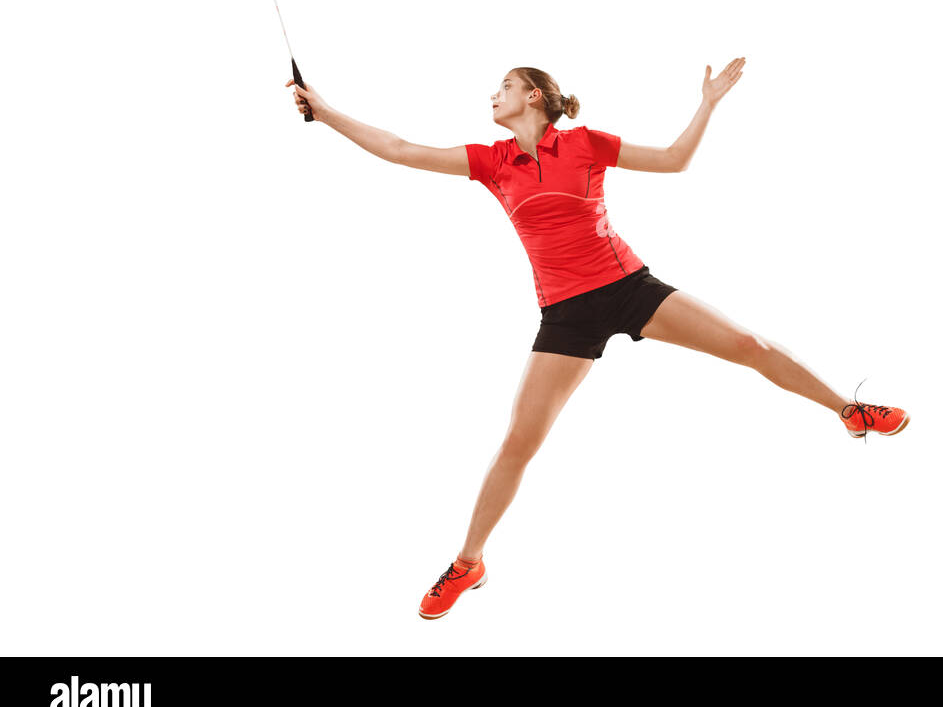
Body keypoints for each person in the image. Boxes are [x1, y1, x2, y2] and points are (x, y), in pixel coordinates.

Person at [285, 58, 910, 620]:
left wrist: (708, 104)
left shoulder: (584, 143)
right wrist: (326, 109)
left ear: (533, 95)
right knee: (518, 444)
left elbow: (673, 160)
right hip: (566, 315)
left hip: (629, 287)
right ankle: (469, 562)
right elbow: (398, 148)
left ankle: (850, 411)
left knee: (750, 345)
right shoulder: (492, 161)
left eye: (503, 86)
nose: (493, 95)